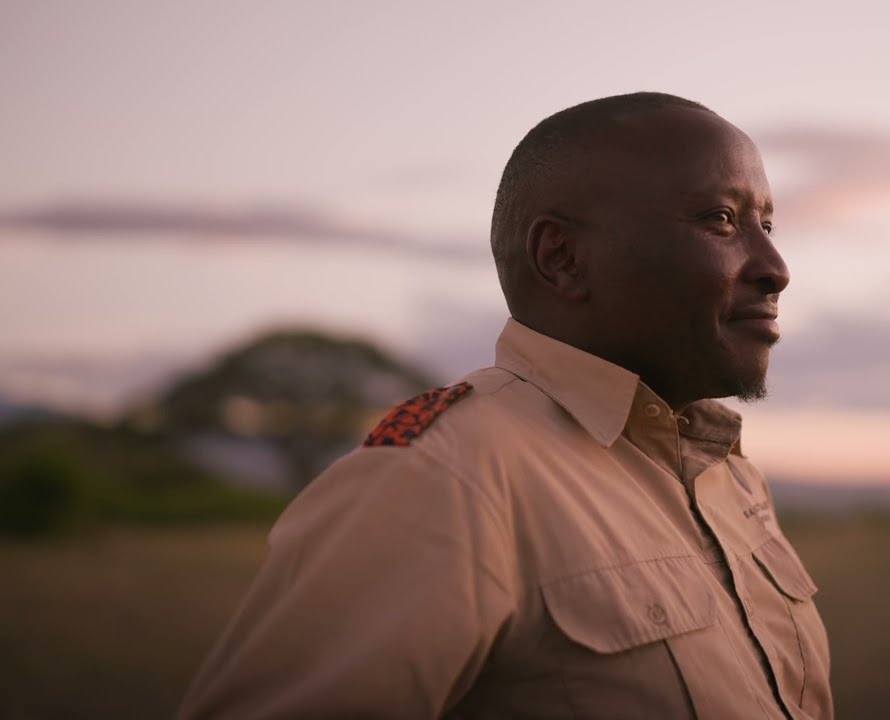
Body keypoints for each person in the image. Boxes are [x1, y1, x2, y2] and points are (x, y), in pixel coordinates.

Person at [180, 91, 833, 720]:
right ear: (562, 257)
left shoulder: (728, 476)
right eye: (720, 219)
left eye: (766, 224)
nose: (775, 265)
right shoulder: (443, 477)